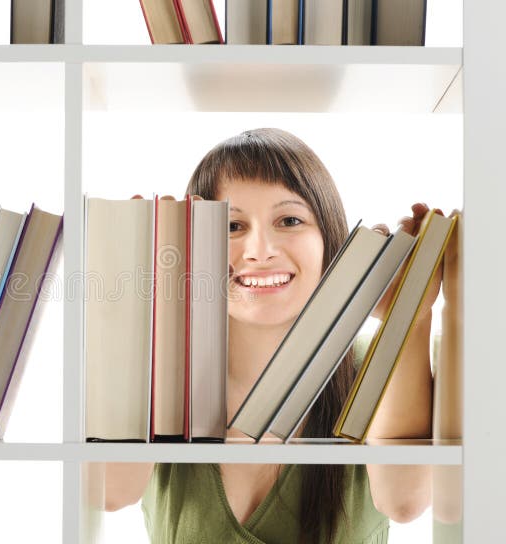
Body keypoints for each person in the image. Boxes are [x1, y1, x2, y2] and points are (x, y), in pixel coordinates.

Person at [103, 128, 436, 543]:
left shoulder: (374, 361)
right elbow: (110, 491)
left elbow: (404, 502)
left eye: (290, 220)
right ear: (189, 244)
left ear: (330, 239)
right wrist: (139, 304)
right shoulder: (164, 370)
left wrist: (410, 314)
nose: (260, 250)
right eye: (232, 225)